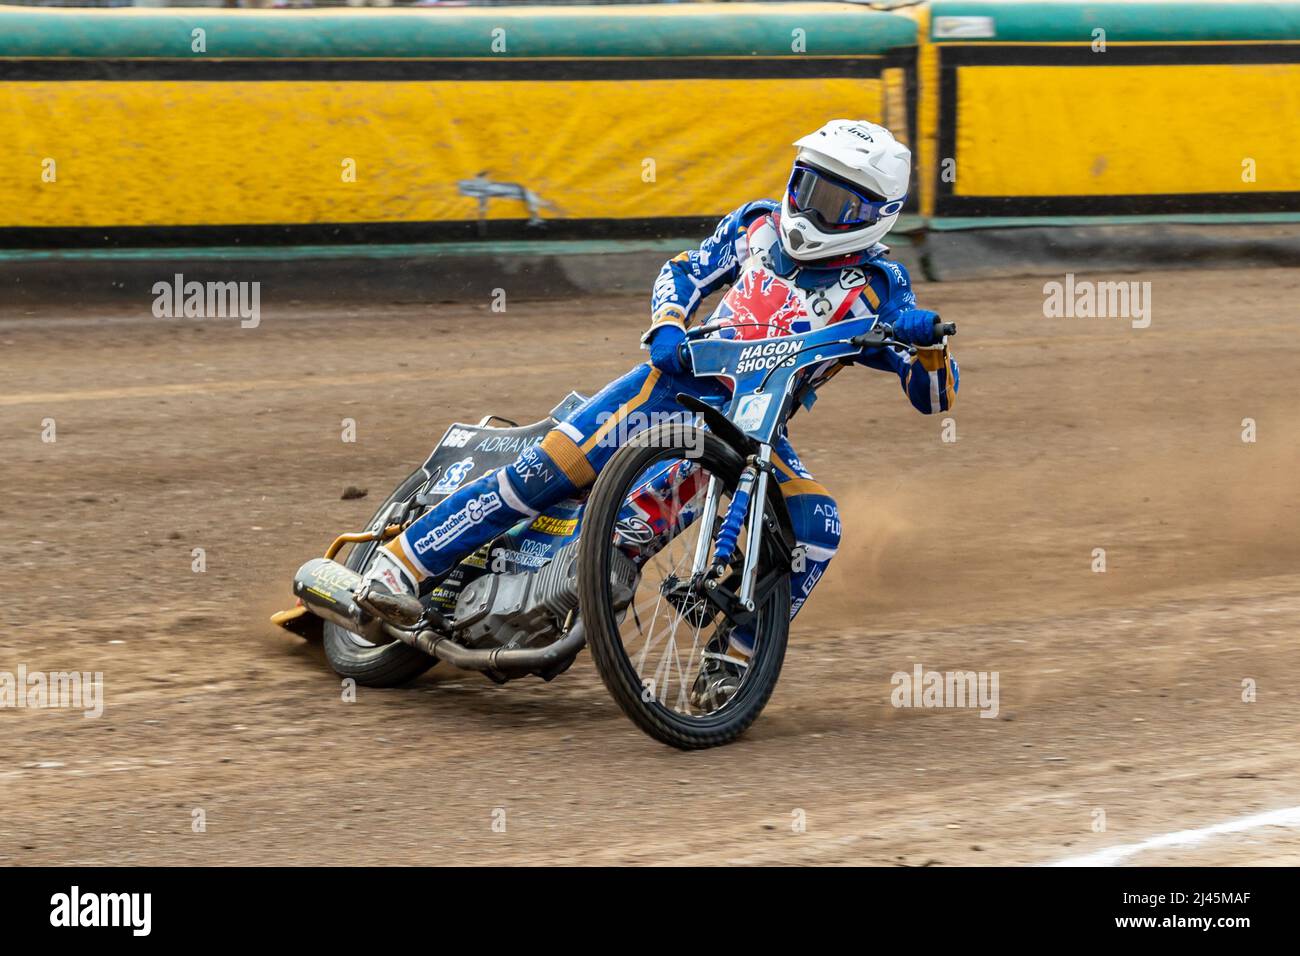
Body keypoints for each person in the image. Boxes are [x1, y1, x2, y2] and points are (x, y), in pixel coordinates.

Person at [357, 119, 958, 703]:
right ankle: (399, 568)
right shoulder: (759, 227)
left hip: (754, 424)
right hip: (670, 387)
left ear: (874, 215)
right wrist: (669, 323)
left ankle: (732, 661)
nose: (810, 207)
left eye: (834, 201)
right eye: (807, 186)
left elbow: (934, 397)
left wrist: (926, 345)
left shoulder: (881, 285)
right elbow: (685, 271)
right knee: (548, 470)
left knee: (816, 524)